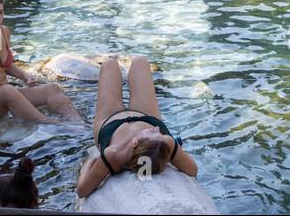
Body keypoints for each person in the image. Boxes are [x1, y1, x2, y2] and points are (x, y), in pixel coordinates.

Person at [75, 56, 198, 198]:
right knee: (141, 62)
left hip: (110, 123)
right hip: (147, 116)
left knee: (109, 64)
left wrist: (89, 162)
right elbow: (192, 169)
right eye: (160, 134)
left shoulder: (112, 154)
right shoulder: (166, 143)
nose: (157, 129)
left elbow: (82, 191)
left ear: (134, 143)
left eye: (152, 133)